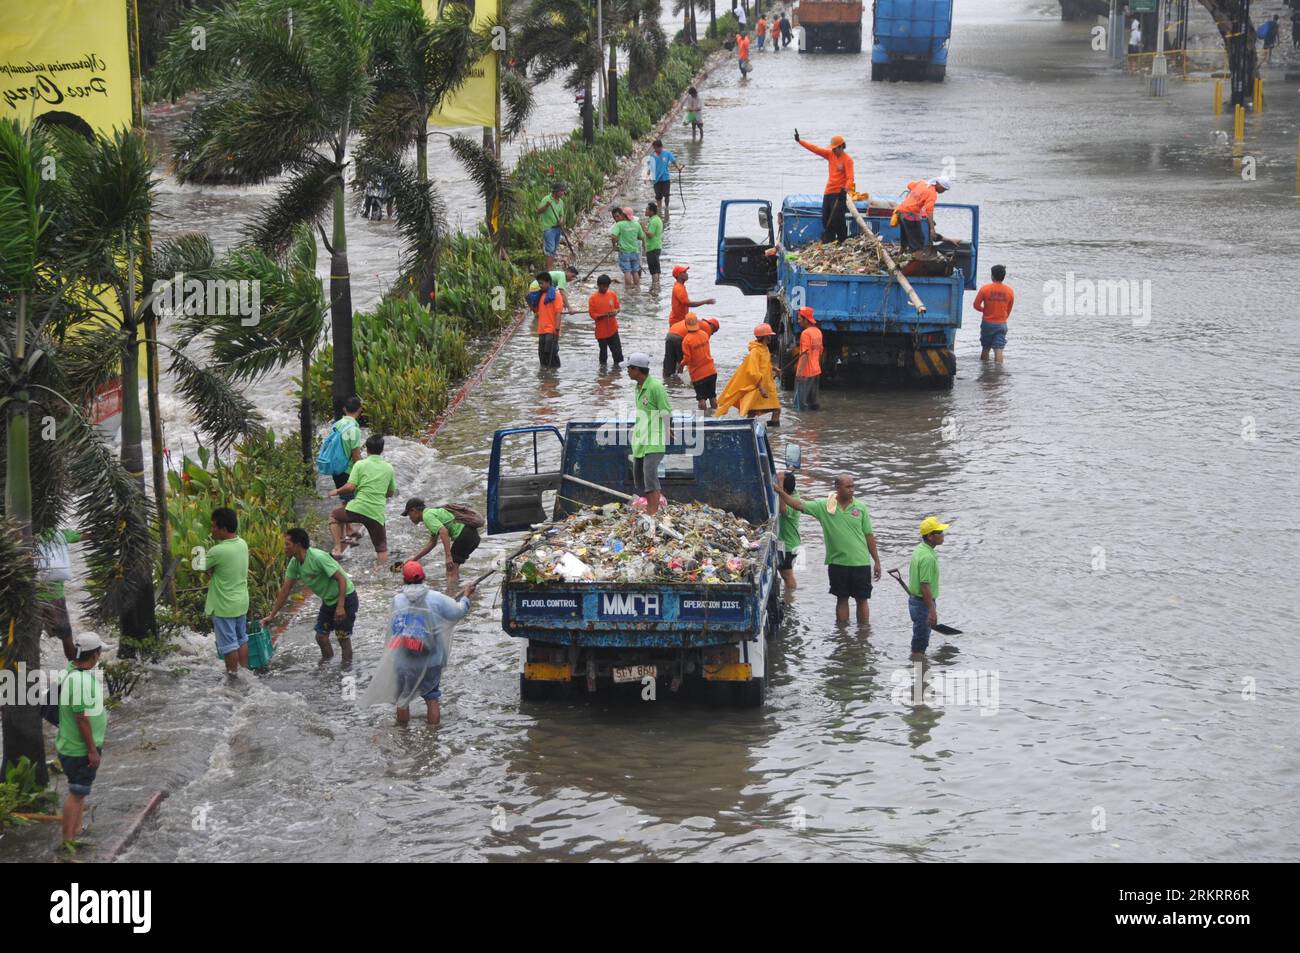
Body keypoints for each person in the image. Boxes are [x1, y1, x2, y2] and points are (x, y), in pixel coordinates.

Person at [776, 472, 881, 625]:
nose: (852, 490)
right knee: (842, 599)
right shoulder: (825, 507)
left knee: (862, 600)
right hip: (837, 562)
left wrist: (877, 561)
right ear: (837, 488)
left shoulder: (861, 508)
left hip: (861, 563)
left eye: (853, 486)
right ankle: (842, 635)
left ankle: (863, 636)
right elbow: (798, 505)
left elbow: (869, 536)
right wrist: (780, 491)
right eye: (848, 486)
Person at [386, 562, 476, 725]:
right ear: (424, 577)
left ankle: (403, 738)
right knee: (432, 697)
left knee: (402, 699)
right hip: (431, 659)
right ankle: (432, 741)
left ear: (404, 580)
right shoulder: (436, 598)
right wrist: (466, 596)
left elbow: (394, 627)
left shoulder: (397, 600)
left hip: (405, 660)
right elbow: (457, 611)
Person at [263, 528, 357, 663]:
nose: (284, 548)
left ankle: (346, 672)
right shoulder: (294, 563)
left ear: (298, 545)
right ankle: (326, 668)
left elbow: (341, 579)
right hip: (329, 600)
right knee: (321, 637)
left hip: (346, 598)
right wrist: (272, 615)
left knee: (342, 638)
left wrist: (341, 606)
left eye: (287, 544)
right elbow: (285, 591)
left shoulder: (318, 557)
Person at [55, 631, 107, 852]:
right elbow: (81, 719)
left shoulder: (72, 671)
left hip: (71, 746)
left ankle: (75, 832)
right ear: (95, 655)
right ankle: (68, 841)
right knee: (76, 794)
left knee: (81, 791)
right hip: (79, 750)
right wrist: (92, 751)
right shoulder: (79, 681)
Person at [328, 433, 396, 566]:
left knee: (334, 516)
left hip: (357, 508)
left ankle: (337, 548)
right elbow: (390, 493)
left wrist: (336, 491)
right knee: (381, 548)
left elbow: (350, 486)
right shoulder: (389, 468)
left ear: (367, 449)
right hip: (376, 514)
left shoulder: (360, 465)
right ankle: (380, 574)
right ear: (382, 450)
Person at [204, 507, 250, 674]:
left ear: (223, 529)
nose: (212, 530)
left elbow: (198, 565)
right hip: (241, 602)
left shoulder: (217, 551)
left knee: (229, 645)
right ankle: (244, 671)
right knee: (242, 638)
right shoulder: (242, 543)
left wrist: (198, 550)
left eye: (214, 527)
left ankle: (233, 678)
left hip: (224, 606)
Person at [627, 353, 673, 516]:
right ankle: (650, 508)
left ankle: (653, 512)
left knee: (650, 476)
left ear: (637, 370)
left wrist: (668, 430)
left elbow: (666, 411)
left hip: (654, 440)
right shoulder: (638, 387)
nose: (627, 372)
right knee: (640, 479)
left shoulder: (655, 387)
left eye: (629, 369)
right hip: (641, 440)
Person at [794, 131, 856, 244]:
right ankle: (831, 240)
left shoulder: (848, 160)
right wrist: (800, 141)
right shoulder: (830, 154)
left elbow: (850, 178)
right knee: (825, 218)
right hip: (828, 192)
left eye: (835, 148)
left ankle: (843, 241)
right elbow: (815, 149)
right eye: (832, 148)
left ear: (841, 147)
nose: (832, 150)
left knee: (838, 219)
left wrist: (845, 189)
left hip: (839, 193)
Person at [716, 323, 782, 427]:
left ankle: (772, 432)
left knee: (776, 409)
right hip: (757, 387)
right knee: (753, 412)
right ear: (765, 337)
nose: (771, 337)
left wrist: (773, 368)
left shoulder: (765, 348)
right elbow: (753, 372)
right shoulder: (755, 352)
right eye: (769, 335)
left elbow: (764, 364)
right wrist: (761, 388)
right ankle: (749, 429)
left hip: (767, 385)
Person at [403, 498, 482, 584]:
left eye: (409, 514)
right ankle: (457, 590)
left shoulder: (427, 516)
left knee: (450, 571)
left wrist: (448, 556)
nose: (410, 518)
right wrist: (414, 559)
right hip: (472, 535)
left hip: (464, 535)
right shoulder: (432, 512)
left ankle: (452, 594)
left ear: (414, 510)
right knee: (454, 570)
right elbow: (432, 543)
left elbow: (443, 531)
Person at [36, 526, 80, 661]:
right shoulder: (61, 534)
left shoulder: (22, 533)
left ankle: (26, 675)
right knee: (66, 636)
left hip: (31, 598)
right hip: (55, 597)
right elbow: (87, 535)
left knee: (31, 638)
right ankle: (75, 670)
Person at [326, 397, 365, 544]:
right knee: (347, 502)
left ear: (344, 409)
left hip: (335, 467)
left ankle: (348, 530)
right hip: (347, 469)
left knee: (345, 499)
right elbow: (356, 454)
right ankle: (344, 535)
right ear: (360, 410)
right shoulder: (353, 429)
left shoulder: (337, 424)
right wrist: (362, 471)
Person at [908, 517, 949, 656]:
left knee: (919, 635)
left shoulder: (920, 549)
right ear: (930, 536)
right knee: (921, 642)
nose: (943, 535)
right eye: (939, 532)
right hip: (922, 604)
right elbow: (924, 586)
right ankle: (919, 671)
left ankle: (918, 668)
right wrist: (932, 610)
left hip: (915, 601)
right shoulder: (927, 557)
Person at [667, 265, 715, 376]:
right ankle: (680, 373)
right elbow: (687, 303)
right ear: (679, 275)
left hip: (680, 321)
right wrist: (705, 301)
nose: (687, 274)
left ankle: (675, 374)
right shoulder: (679, 288)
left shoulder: (681, 286)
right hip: (677, 322)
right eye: (684, 272)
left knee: (678, 351)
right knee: (680, 351)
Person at [678, 313, 722, 411]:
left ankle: (704, 420)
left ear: (686, 324)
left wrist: (680, 366)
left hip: (698, 375)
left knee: (701, 400)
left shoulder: (686, 340)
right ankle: (715, 417)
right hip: (711, 371)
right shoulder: (704, 334)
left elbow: (687, 358)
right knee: (712, 396)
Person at [894, 176, 951, 252]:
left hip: (901, 212)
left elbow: (910, 185)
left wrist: (916, 196)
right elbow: (929, 210)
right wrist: (932, 228)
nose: (943, 191)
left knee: (905, 237)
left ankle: (901, 254)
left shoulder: (922, 183)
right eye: (943, 189)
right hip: (910, 215)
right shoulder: (932, 194)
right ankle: (914, 261)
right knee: (918, 242)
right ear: (939, 185)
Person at [974, 264, 1015, 364]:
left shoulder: (985, 289)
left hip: (987, 323)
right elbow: (1008, 310)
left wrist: (985, 310)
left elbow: (976, 305)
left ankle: (984, 370)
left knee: (985, 348)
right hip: (1001, 324)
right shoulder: (1010, 291)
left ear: (992, 276)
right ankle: (998, 373)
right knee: (999, 349)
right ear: (1003, 277)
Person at [530, 270, 568, 367]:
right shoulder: (540, 296)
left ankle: (553, 377)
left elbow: (558, 314)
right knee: (542, 356)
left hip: (551, 330)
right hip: (541, 330)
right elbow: (536, 311)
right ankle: (546, 377)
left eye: (542, 283)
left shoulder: (556, 295)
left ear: (548, 282)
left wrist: (557, 329)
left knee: (551, 355)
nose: (540, 286)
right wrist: (529, 302)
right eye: (539, 284)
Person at [586, 273, 625, 365]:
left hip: (613, 329)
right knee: (603, 355)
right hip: (601, 332)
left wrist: (615, 312)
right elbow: (592, 314)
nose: (605, 288)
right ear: (598, 285)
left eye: (607, 286)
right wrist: (604, 315)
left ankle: (617, 372)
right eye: (603, 286)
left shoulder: (612, 295)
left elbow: (618, 308)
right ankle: (603, 372)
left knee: (618, 354)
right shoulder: (593, 298)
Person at [794, 306, 823, 411]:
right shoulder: (818, 332)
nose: (798, 321)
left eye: (799, 319)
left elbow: (804, 355)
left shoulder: (805, 333)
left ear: (806, 319)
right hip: (816, 371)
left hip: (805, 373)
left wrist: (799, 373)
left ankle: (803, 425)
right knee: (813, 403)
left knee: (800, 406)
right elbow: (820, 352)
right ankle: (813, 423)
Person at [777, 471, 801, 593]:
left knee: (787, 575)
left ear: (784, 490)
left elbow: (782, 509)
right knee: (784, 573)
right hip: (785, 544)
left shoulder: (794, 501)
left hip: (788, 546)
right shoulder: (793, 493)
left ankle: (789, 599)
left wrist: (780, 483)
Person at [610, 206, 643, 290]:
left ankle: (628, 290)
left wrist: (614, 246)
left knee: (627, 271)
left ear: (623, 215)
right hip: (635, 251)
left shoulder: (619, 224)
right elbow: (641, 237)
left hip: (624, 252)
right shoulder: (636, 224)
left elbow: (613, 236)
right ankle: (637, 288)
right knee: (635, 271)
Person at [537, 181, 568, 271]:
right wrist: (546, 206)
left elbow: (562, 214)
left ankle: (550, 267)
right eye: (561, 191)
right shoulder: (547, 199)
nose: (563, 193)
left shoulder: (561, 202)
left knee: (554, 249)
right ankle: (549, 269)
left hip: (557, 228)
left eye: (563, 191)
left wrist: (561, 221)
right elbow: (538, 211)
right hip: (549, 228)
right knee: (550, 249)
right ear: (556, 191)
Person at [642, 202, 665, 281]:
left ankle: (654, 286)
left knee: (653, 270)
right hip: (656, 246)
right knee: (656, 269)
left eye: (647, 209)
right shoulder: (655, 219)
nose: (645, 211)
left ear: (651, 211)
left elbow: (650, 235)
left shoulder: (654, 221)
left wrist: (643, 227)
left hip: (652, 247)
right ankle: (657, 286)